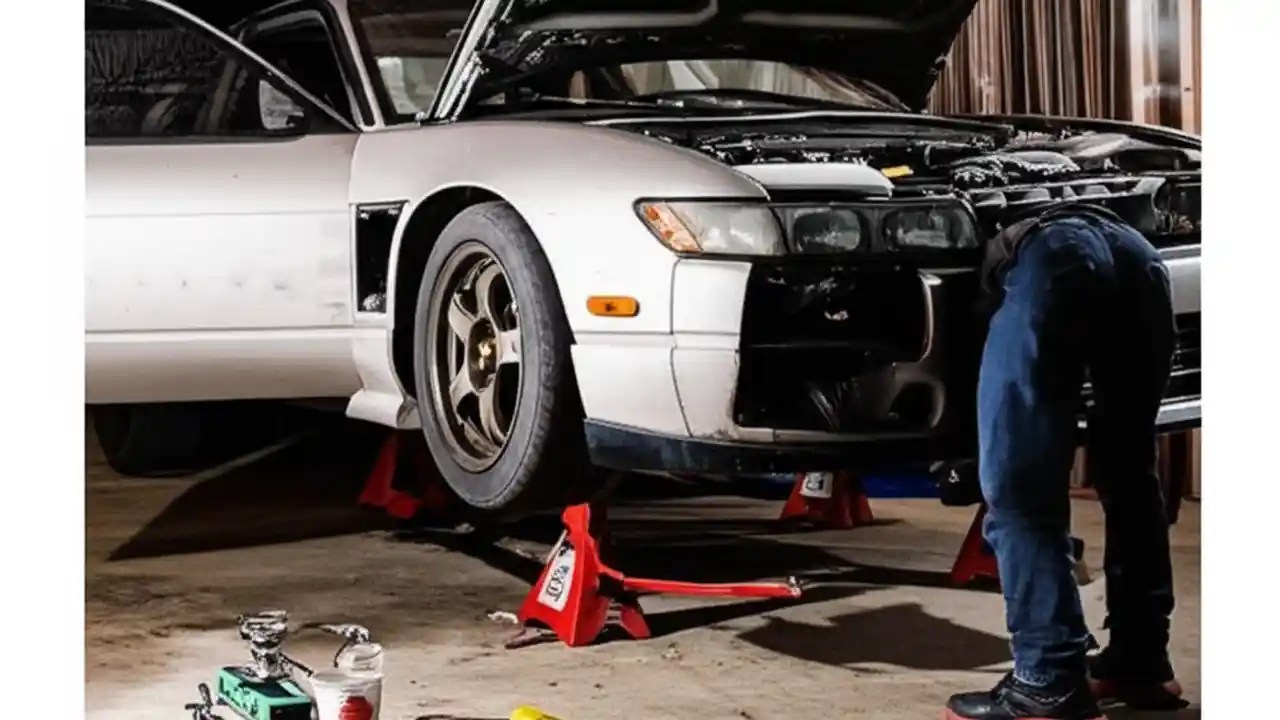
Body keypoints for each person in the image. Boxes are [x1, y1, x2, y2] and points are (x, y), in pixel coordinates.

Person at [945, 203, 1186, 720]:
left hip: (1054, 257)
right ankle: (1142, 664)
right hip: (1140, 257)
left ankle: (1047, 680)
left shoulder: (965, 269)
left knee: (1017, 486)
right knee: (1129, 474)